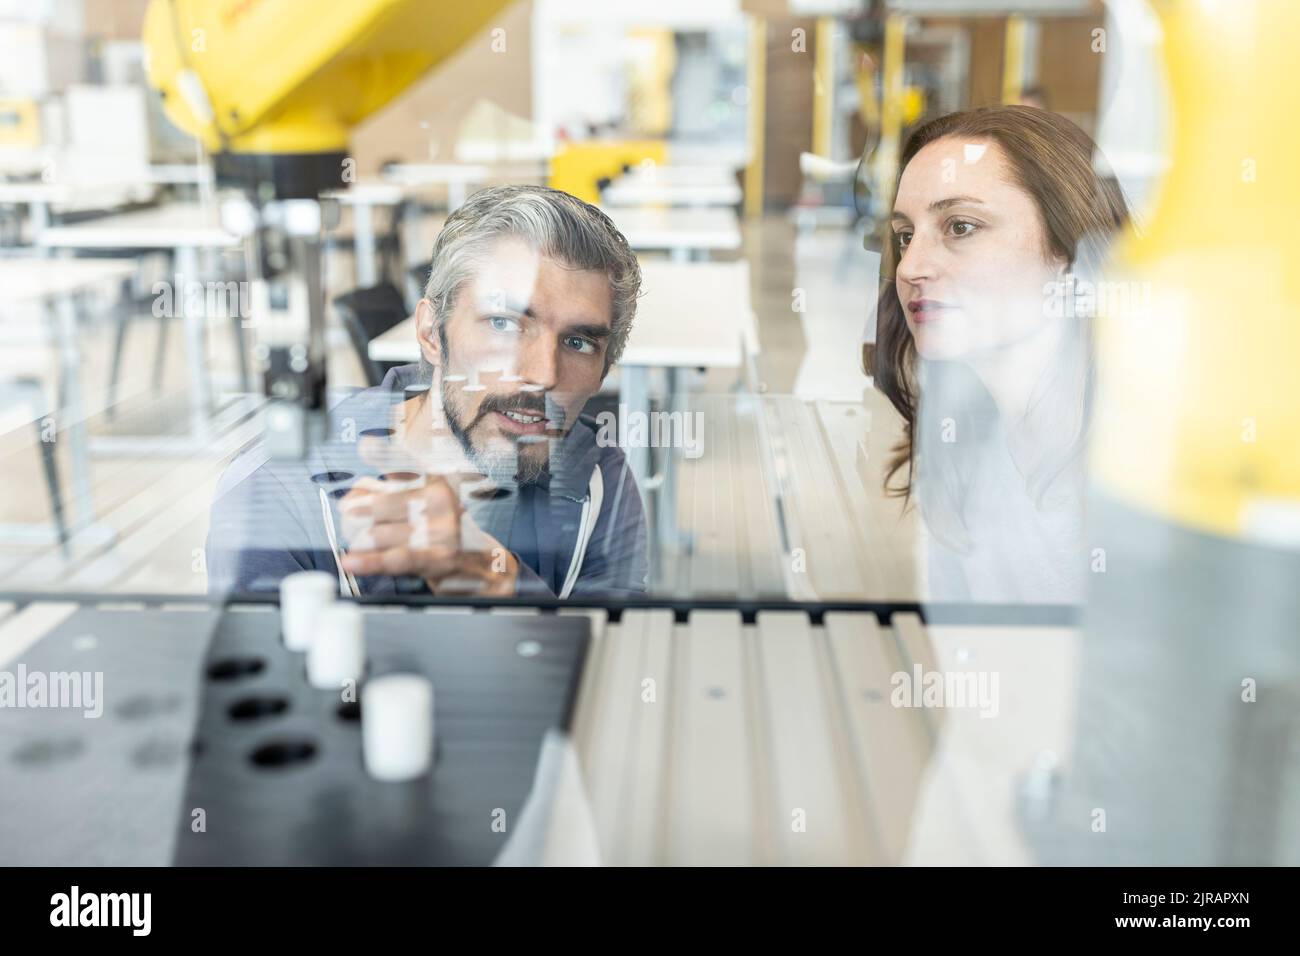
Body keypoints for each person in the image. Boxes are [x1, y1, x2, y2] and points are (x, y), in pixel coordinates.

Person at [207, 185, 649, 599]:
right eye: (504, 324)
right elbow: (264, 677)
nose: (542, 375)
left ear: (603, 372)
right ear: (431, 333)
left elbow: (610, 666)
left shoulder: (598, 477)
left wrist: (496, 577)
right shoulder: (279, 488)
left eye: (578, 343)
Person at [865, 106, 1130, 603]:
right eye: (906, 235)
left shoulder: (1127, 469)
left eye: (960, 227)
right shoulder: (964, 436)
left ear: (1066, 246)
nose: (911, 267)